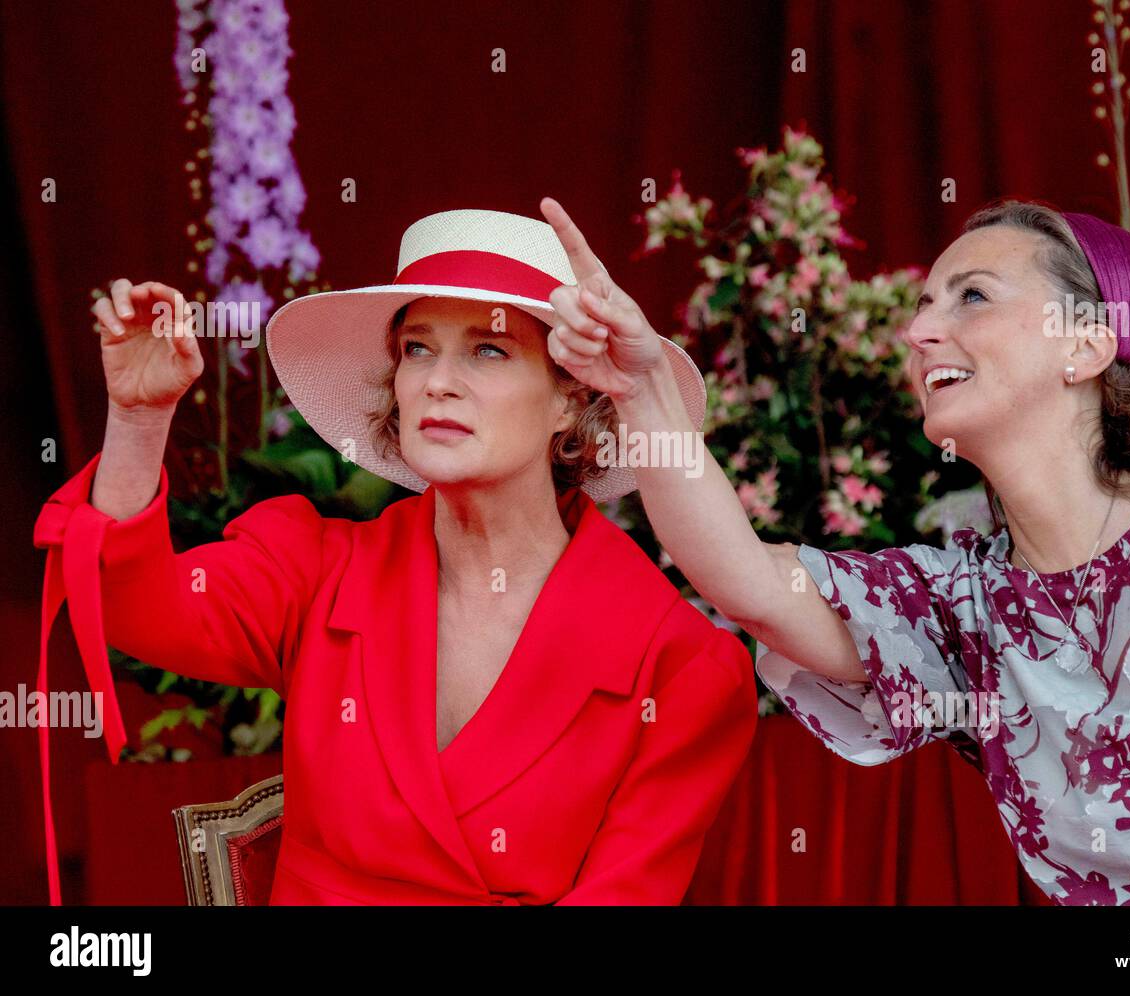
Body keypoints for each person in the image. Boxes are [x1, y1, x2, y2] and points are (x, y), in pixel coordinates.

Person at [539, 194, 1130, 905]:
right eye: (922, 305)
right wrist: (641, 389)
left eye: (972, 296)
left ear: (1090, 343)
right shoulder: (967, 608)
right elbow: (750, 581)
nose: (918, 331)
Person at [33, 208, 757, 906]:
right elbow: (133, 610)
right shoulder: (316, 568)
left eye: (488, 349)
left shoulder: (680, 667)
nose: (438, 380)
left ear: (571, 398)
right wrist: (138, 418)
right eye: (417, 348)